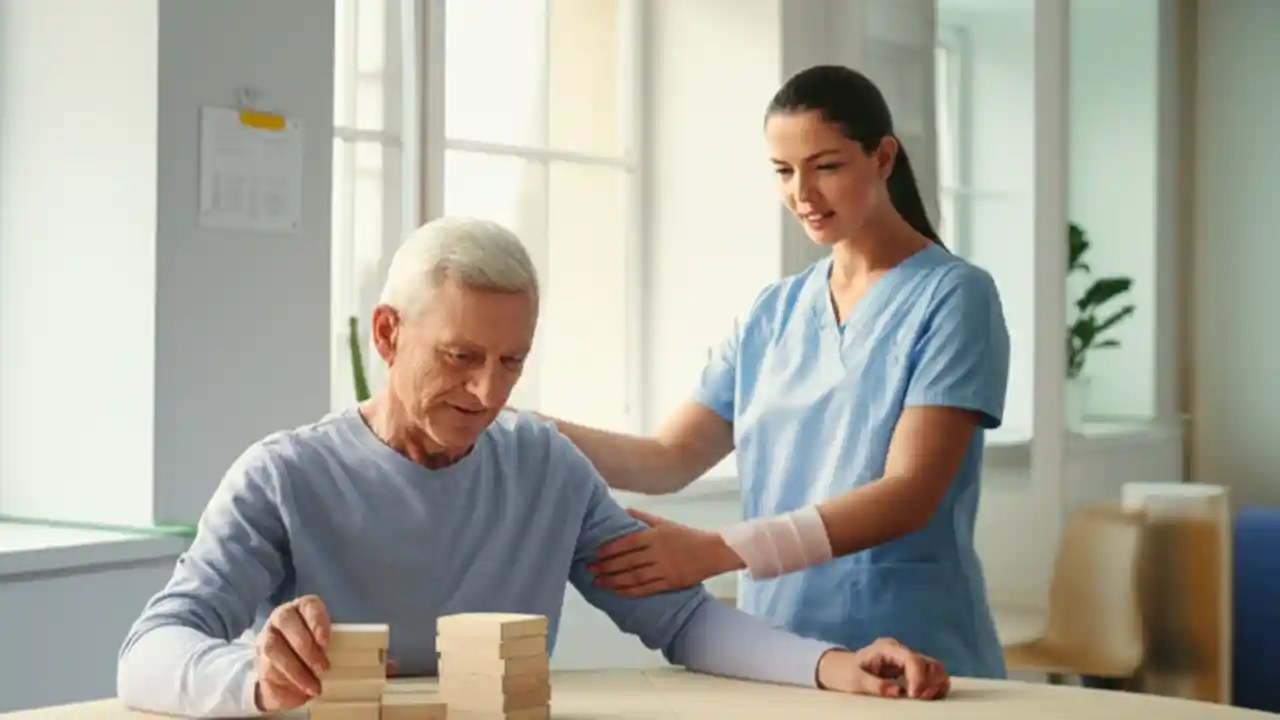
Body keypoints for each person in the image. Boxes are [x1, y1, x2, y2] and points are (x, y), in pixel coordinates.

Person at [115, 216, 951, 718]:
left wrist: (835, 667)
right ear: (385, 335)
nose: (488, 392)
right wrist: (255, 680)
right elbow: (149, 652)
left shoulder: (545, 465)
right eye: (460, 355)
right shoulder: (284, 478)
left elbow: (684, 623)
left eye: (513, 361)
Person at [543, 65, 1011, 680]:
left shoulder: (954, 298)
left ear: (883, 157)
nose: (803, 195)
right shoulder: (774, 312)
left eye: (827, 166)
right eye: (783, 172)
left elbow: (909, 494)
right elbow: (667, 458)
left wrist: (713, 551)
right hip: (783, 655)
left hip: (915, 652)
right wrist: (523, 427)